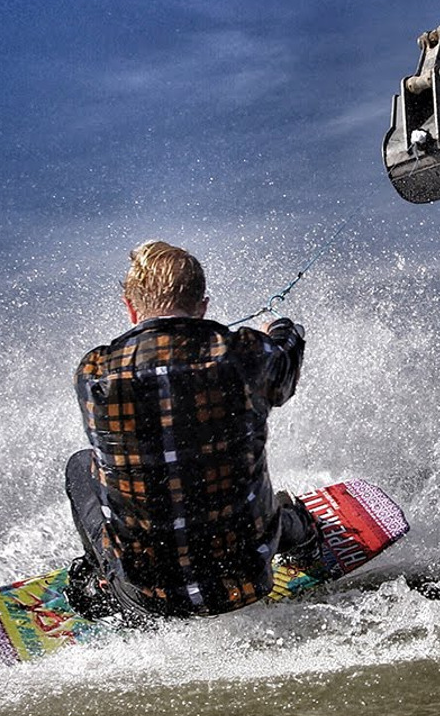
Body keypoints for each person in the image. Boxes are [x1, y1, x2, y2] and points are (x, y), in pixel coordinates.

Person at [63, 241, 319, 620]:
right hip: (247, 577)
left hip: (146, 595)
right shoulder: (245, 355)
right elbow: (288, 351)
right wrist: (279, 328)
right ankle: (303, 535)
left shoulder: (95, 372)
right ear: (203, 305)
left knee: (81, 465)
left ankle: (103, 583)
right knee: (218, 464)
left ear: (132, 308)